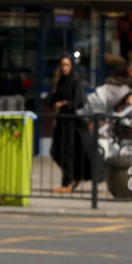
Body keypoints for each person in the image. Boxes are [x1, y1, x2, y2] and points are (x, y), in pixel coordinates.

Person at [49, 55, 90, 193]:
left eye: (67, 65)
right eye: (62, 65)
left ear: (71, 66)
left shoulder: (75, 81)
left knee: (67, 152)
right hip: (61, 121)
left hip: (71, 121)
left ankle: (66, 183)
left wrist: (65, 103)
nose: (64, 68)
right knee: (55, 151)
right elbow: (52, 99)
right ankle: (73, 176)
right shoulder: (59, 81)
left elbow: (80, 101)